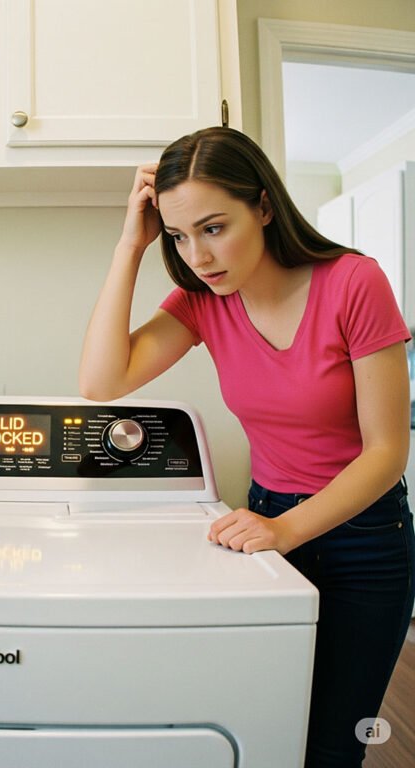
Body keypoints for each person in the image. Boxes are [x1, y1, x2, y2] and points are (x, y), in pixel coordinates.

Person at [79, 126, 415, 768]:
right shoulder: (205, 302)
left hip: (363, 537)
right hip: (264, 520)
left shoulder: (353, 282)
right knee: (268, 721)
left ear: (263, 206)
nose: (198, 255)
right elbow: (101, 381)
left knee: (334, 743)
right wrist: (131, 244)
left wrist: (285, 530)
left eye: (213, 227)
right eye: (179, 235)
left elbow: (385, 453)